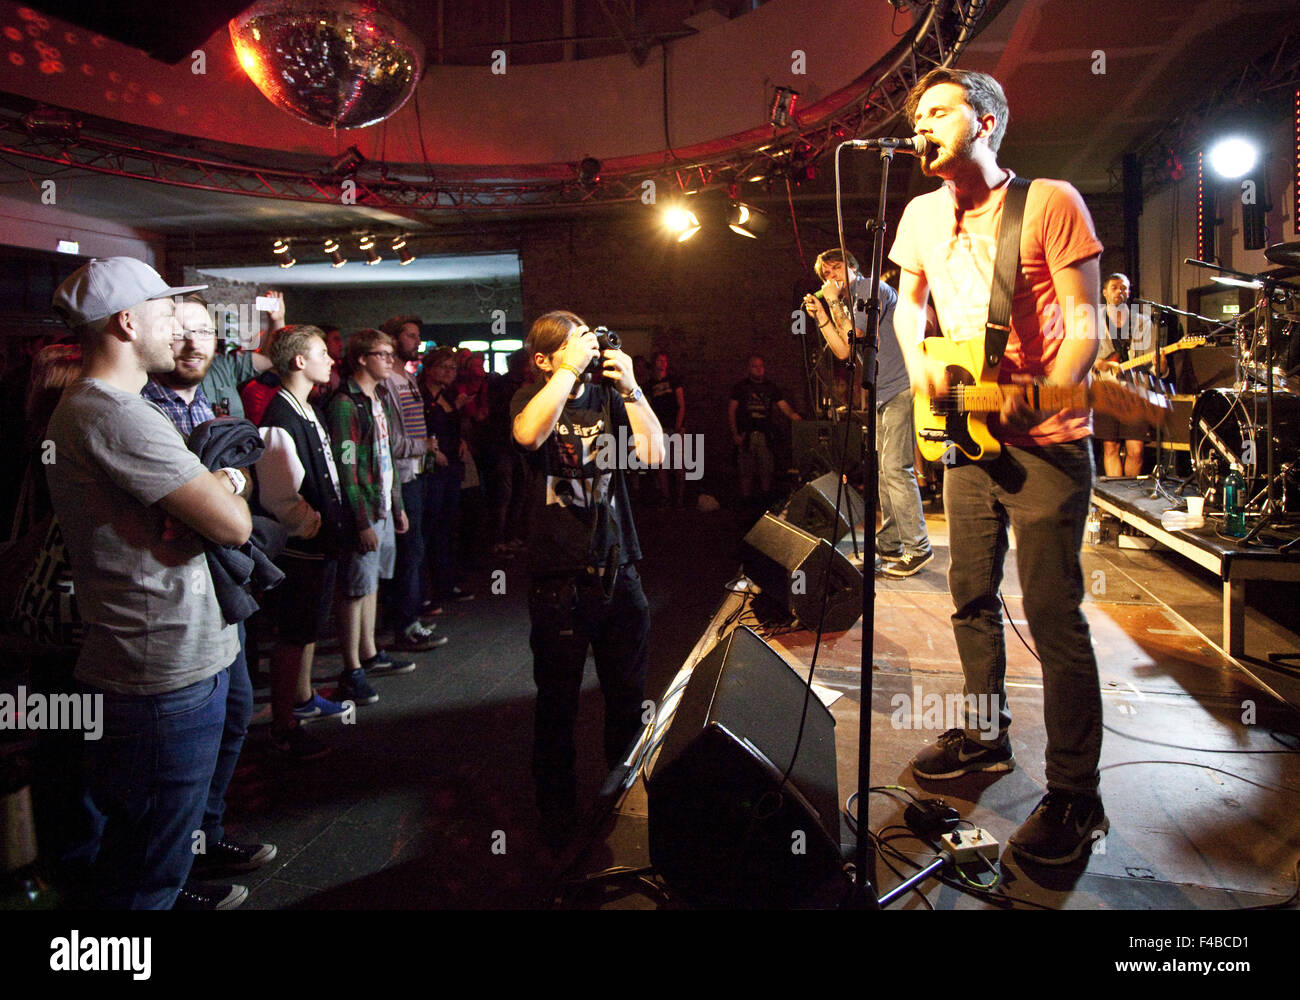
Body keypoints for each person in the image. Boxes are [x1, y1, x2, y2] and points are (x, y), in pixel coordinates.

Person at [890, 69, 1107, 865]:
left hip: (1045, 437)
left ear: (983, 122)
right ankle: (985, 736)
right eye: (917, 114)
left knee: (1054, 617)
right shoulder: (919, 214)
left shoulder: (1049, 202)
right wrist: (919, 378)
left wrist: (1040, 396)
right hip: (964, 435)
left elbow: (1086, 330)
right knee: (969, 597)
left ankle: (1076, 796)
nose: (921, 124)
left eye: (938, 111)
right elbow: (908, 309)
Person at [47, 256, 252, 908]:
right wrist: (227, 485)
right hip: (163, 671)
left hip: (165, 661)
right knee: (145, 879)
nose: (180, 328)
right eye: (167, 312)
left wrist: (206, 499)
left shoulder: (103, 407)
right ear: (127, 322)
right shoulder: (118, 415)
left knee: (146, 858)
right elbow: (233, 526)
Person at [142, 295, 278, 908]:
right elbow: (192, 515)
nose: (195, 344)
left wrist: (233, 481)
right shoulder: (140, 409)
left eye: (205, 334)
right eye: (181, 334)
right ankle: (165, 882)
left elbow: (233, 475)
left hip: (219, 589)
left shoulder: (200, 400)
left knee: (232, 716)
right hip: (172, 596)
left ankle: (203, 840)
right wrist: (226, 489)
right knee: (172, 758)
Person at [510, 310, 663, 849]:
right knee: (558, 702)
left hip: (619, 569)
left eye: (588, 344)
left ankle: (620, 799)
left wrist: (636, 390)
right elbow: (529, 435)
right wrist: (566, 375)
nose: (586, 352)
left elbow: (654, 454)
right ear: (544, 359)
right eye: (573, 345)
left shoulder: (609, 399)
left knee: (628, 697)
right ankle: (556, 813)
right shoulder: (533, 396)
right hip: (559, 578)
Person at [254, 325, 356, 762]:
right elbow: (279, 494)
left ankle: (300, 699)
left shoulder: (306, 407)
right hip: (301, 547)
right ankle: (283, 725)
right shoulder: (281, 417)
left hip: (317, 541)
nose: (331, 360)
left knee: (306, 628)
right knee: (293, 633)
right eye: (321, 353)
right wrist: (312, 523)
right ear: (299, 361)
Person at [804, 249, 932, 576]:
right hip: (881, 392)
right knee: (882, 470)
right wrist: (821, 317)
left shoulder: (868, 288)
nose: (831, 277)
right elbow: (843, 350)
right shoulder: (846, 302)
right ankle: (890, 544)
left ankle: (919, 548)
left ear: (853, 267)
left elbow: (856, 334)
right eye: (826, 273)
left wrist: (832, 304)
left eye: (837, 268)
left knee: (895, 467)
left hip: (901, 384)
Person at [328, 329, 413, 708]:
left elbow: (386, 457)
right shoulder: (346, 403)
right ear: (361, 358)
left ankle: (369, 651)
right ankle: (351, 669)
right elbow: (347, 468)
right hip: (362, 507)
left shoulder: (375, 397)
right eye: (382, 354)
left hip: (380, 502)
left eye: (391, 354)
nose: (390, 360)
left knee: (371, 583)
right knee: (354, 587)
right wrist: (361, 520)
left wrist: (397, 506)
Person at [377, 315, 444, 652]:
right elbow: (392, 435)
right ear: (392, 339)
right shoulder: (387, 380)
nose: (416, 341)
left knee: (415, 548)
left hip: (418, 469)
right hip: (403, 472)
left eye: (418, 336)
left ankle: (409, 616)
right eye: (410, 336)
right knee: (408, 551)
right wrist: (423, 447)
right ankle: (405, 622)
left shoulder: (407, 377)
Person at [421, 347, 475, 604]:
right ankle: (431, 585)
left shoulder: (447, 395)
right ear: (429, 368)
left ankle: (446, 579)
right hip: (433, 469)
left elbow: (450, 425)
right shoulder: (420, 397)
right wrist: (434, 453)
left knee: (448, 525)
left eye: (453, 368)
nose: (449, 372)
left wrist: (461, 439)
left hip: (452, 465)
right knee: (431, 526)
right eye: (443, 367)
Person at [1093, 272, 1157, 477]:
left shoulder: (1143, 322)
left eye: (1124, 287)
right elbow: (1081, 356)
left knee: (1136, 451)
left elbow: (1152, 365)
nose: (1120, 291)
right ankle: (1115, 500)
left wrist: (1159, 364)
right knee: (1110, 448)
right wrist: (1098, 363)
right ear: (1104, 292)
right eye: (1114, 287)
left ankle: (1129, 494)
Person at [727, 354, 802, 506]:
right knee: (746, 471)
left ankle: (764, 503)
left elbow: (783, 406)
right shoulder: (741, 387)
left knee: (766, 470)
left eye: (761, 366)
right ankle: (746, 503)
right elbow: (731, 410)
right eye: (755, 366)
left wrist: (795, 417)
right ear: (749, 368)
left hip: (764, 436)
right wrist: (735, 433)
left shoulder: (770, 387)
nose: (759, 369)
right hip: (746, 434)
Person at [647, 350, 687, 507]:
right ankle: (666, 496)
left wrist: (678, 424)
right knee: (661, 464)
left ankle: (680, 497)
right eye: (659, 360)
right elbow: (649, 407)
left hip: (676, 426)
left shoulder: (674, 381)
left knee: (679, 463)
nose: (662, 363)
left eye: (664, 360)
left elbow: (681, 404)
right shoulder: (650, 385)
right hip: (659, 428)